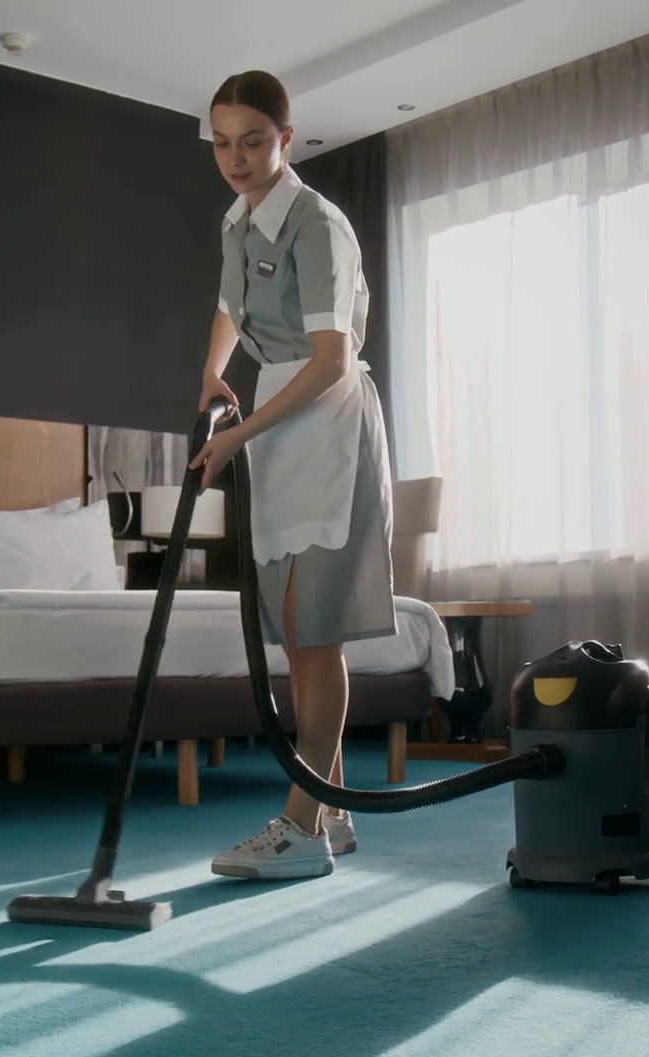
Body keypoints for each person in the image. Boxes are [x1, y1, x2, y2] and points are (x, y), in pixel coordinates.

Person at [188, 70, 396, 881]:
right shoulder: (239, 220)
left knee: (315, 627)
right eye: (221, 141)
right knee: (293, 631)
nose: (234, 158)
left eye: (252, 141)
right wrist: (214, 374)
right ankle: (334, 815)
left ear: (286, 136)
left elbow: (333, 362)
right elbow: (229, 310)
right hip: (274, 415)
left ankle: (302, 822)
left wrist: (240, 436)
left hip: (326, 416)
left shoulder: (320, 226)